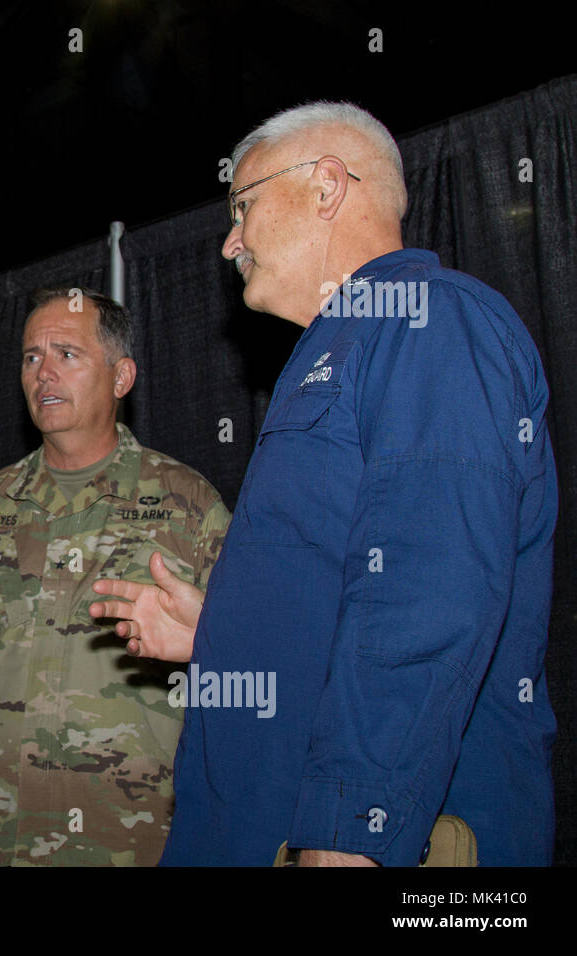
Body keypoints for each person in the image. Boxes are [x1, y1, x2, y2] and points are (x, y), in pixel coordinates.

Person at [92, 101, 558, 866]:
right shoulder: (337, 352)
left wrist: (352, 835)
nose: (229, 241)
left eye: (242, 205)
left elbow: (428, 594)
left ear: (327, 187)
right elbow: (347, 594)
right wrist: (223, 636)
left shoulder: (429, 320)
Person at [0, 287, 231, 866]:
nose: (44, 373)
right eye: (31, 357)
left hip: (134, 841)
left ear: (121, 377)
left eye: (67, 354)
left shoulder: (188, 505)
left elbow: (241, 663)